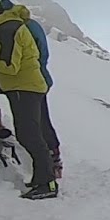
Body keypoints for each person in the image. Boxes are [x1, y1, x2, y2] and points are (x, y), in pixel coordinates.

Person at [0, 0, 59, 199]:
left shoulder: (7, 28)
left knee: (29, 135)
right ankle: (42, 179)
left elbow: (9, 66)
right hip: (20, 84)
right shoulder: (5, 24)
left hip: (23, 87)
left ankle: (47, 183)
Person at [24, 16, 62, 179]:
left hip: (32, 80)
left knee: (39, 122)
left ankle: (50, 164)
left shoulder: (17, 28)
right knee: (42, 119)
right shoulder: (31, 24)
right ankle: (55, 158)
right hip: (40, 79)